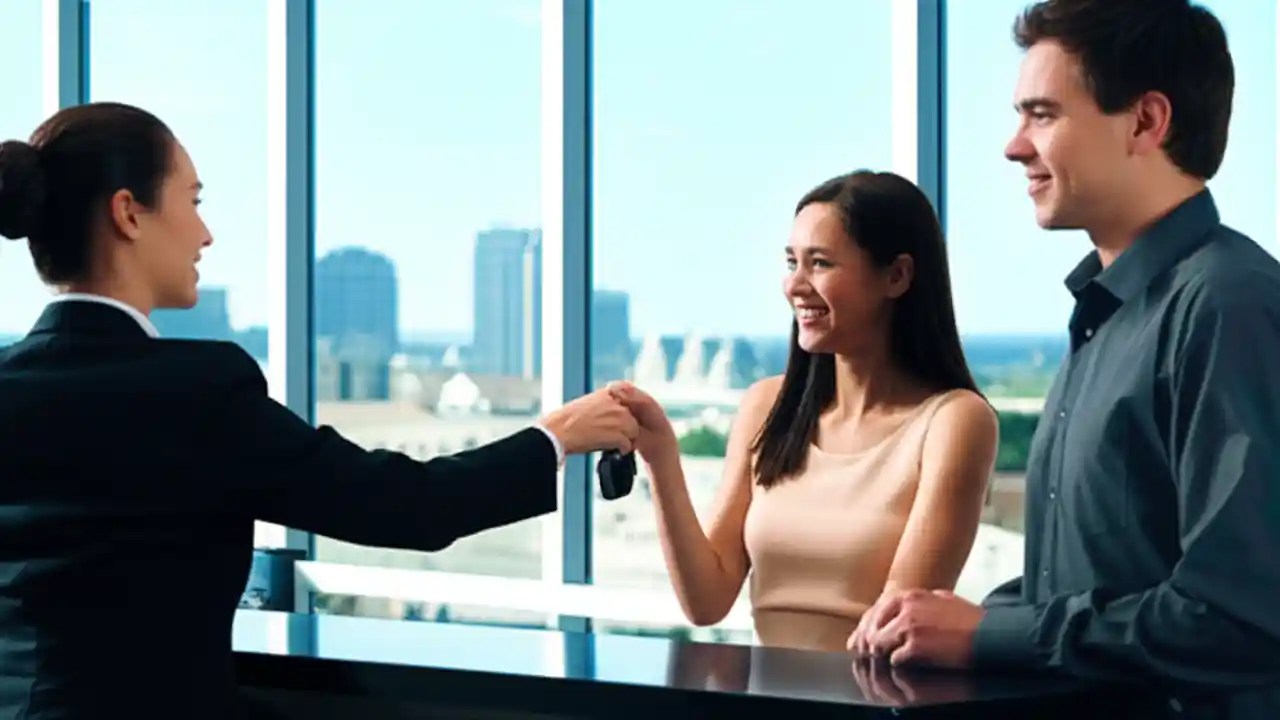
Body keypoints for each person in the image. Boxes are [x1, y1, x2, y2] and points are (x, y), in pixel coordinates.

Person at [0, 101, 639, 718]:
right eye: (192, 202)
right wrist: (555, 437)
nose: (206, 232)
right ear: (129, 215)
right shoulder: (198, 390)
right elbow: (404, 506)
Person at [851, 0, 1280, 716]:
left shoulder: (1227, 306)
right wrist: (948, 619)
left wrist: (990, 634)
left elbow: (1239, 617)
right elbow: (1095, 582)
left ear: (1146, 122)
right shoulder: (1108, 313)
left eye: (1042, 114)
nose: (1014, 146)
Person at [610, 169, 999, 653]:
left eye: (820, 263)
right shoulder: (766, 407)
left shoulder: (954, 421)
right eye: (791, 261)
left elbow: (891, 628)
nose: (795, 285)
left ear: (897, 276)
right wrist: (660, 456)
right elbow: (707, 600)